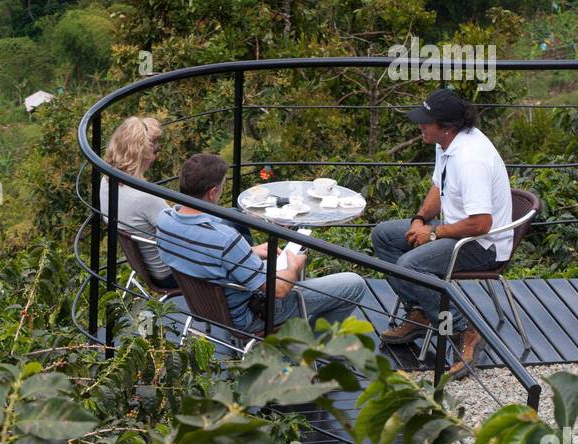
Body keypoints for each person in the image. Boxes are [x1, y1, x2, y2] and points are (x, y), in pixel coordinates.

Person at [371, 89, 514, 379]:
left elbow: (481, 223)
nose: (420, 126)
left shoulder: (470, 159)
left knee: (410, 266)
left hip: (482, 244)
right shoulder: (446, 144)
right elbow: (439, 186)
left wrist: (433, 234)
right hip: (456, 230)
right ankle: (422, 310)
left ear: (447, 127)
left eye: (426, 121)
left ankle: (464, 329)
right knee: (383, 235)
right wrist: (420, 219)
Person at [155, 153, 364, 335]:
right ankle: (313, 348)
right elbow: (279, 290)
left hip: (206, 308)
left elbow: (201, 252)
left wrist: (251, 251)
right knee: (353, 284)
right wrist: (294, 265)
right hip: (251, 315)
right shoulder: (225, 238)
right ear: (212, 192)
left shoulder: (164, 220)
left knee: (284, 272)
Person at [99, 116, 176, 288]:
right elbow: (181, 233)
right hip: (169, 274)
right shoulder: (145, 197)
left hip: (147, 269)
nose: (156, 154)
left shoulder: (106, 182)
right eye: (154, 148)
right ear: (142, 153)